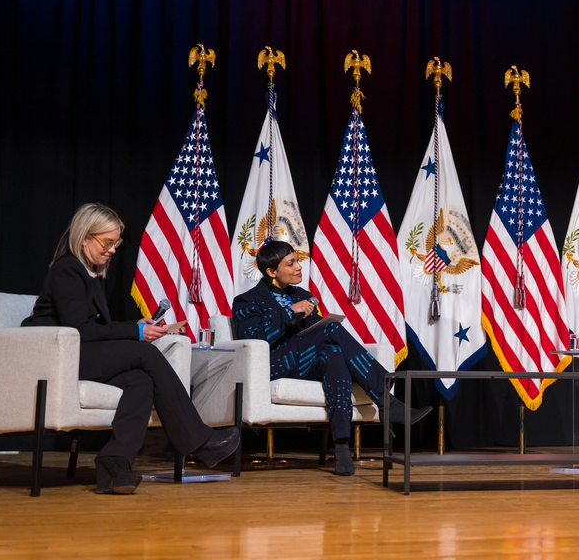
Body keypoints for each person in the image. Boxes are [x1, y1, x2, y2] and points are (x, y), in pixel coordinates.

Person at [22, 203, 240, 494]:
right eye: (107, 242)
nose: (112, 249)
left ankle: (114, 466)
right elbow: (80, 331)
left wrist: (135, 325)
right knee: (145, 353)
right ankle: (198, 440)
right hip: (52, 357)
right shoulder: (68, 270)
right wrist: (135, 332)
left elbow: (91, 329)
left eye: (116, 242)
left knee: (140, 380)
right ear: (84, 237)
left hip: (77, 353)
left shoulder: (90, 273)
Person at [232, 241, 431, 476]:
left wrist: (310, 319)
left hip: (304, 361)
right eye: (291, 263)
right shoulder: (247, 300)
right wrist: (289, 313)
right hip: (274, 365)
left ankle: (341, 447)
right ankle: (386, 400)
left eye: (298, 260)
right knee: (330, 329)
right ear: (271, 272)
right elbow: (252, 338)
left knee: (333, 353)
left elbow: (312, 332)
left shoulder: (302, 294)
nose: (299, 267)